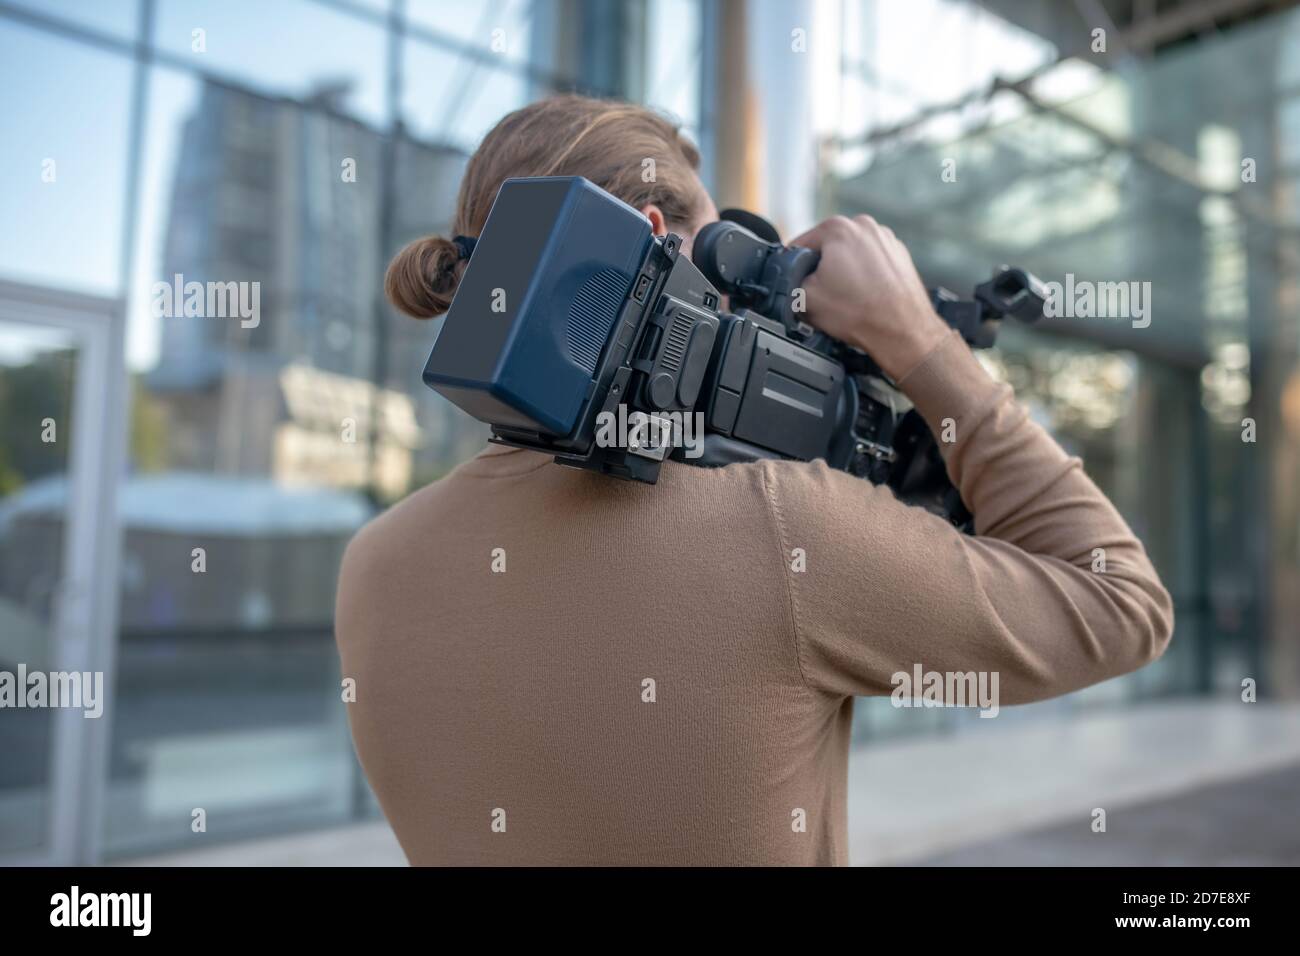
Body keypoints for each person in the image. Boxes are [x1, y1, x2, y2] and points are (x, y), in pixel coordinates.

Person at [335, 94, 1173, 866]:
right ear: (655, 239)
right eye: (729, 259)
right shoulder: (784, 531)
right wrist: (920, 343)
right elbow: (1124, 602)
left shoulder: (372, 564)